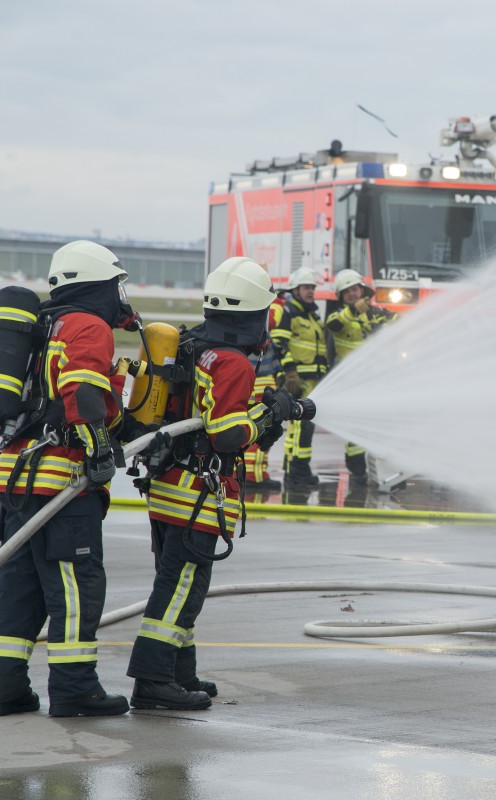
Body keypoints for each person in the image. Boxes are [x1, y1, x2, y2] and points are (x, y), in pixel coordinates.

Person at [125, 257, 300, 710]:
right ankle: (152, 681)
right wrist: (270, 415)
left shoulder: (192, 343)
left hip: (167, 485)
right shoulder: (235, 362)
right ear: (253, 313)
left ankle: (180, 674)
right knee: (181, 586)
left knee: (178, 583)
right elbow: (227, 435)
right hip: (197, 494)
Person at [0, 240, 140, 717]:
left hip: (18, 477)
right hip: (61, 481)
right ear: (99, 284)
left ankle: (3, 690)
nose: (120, 295)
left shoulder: (43, 324)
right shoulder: (88, 325)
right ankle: (75, 689)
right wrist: (96, 449)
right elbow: (82, 391)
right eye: (116, 284)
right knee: (74, 586)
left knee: (19, 588)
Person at [324, 269, 398, 478]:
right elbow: (333, 325)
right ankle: (357, 470)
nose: (351, 295)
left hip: (379, 382)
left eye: (354, 290)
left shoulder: (377, 314)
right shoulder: (338, 318)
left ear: (362, 290)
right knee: (357, 429)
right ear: (341, 297)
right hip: (353, 384)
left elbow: (399, 326)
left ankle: (380, 470)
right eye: (346, 292)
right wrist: (354, 311)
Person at [269, 267, 329, 487]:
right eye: (306, 287)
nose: (310, 291)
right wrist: (290, 372)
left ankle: (291, 468)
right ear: (295, 290)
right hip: (300, 378)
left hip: (312, 377)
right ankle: (299, 470)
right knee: (305, 425)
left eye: (312, 287)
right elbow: (280, 343)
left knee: (299, 426)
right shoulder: (291, 312)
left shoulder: (310, 313)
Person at [242, 288, 288, 492]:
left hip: (264, 381)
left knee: (263, 428)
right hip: (258, 384)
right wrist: (278, 302)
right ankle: (253, 477)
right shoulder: (255, 314)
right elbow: (272, 322)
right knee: (260, 428)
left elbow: (271, 353)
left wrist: (279, 373)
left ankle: (256, 474)